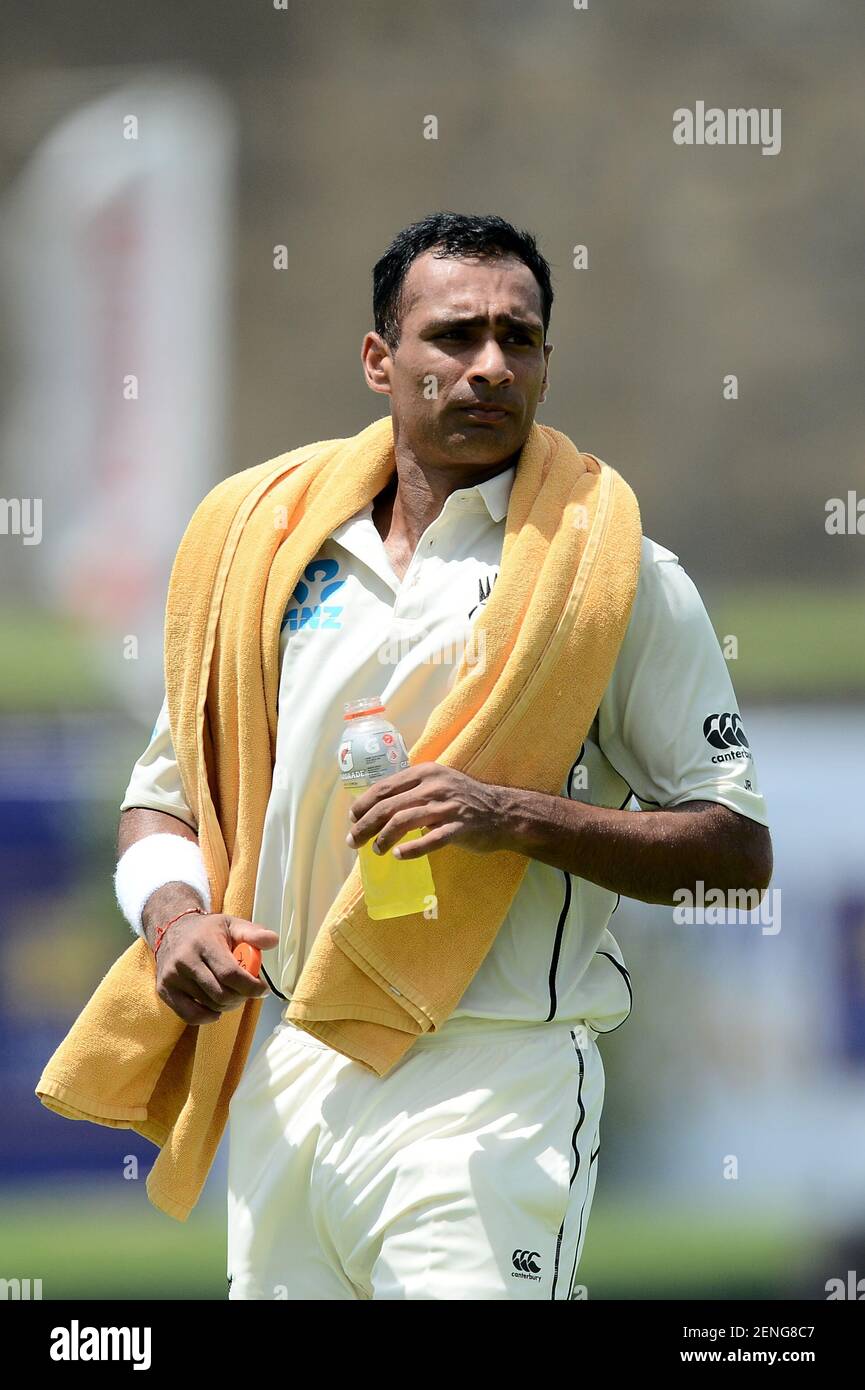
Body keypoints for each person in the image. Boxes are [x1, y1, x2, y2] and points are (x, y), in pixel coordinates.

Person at [115, 211, 772, 1300]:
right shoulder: (265, 553)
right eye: (454, 336)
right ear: (380, 359)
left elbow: (735, 857)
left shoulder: (617, 575)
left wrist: (509, 814)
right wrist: (176, 920)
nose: (488, 367)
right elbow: (161, 803)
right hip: (290, 1067)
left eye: (518, 340)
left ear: (547, 365)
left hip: (492, 1078)